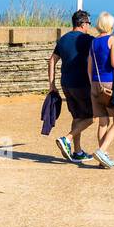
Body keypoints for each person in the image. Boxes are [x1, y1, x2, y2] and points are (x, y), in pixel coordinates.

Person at [49, 10, 94, 164]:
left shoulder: (63, 39)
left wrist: (51, 85)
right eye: (88, 23)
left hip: (66, 84)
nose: (89, 26)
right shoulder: (87, 40)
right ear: (82, 23)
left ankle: (78, 151)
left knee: (77, 117)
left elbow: (52, 61)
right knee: (91, 117)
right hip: (82, 84)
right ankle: (66, 139)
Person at [87, 12, 114, 169]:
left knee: (103, 122)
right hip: (109, 85)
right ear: (110, 25)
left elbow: (89, 68)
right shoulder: (113, 39)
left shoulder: (94, 42)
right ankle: (102, 151)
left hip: (95, 84)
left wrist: (92, 85)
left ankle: (102, 159)